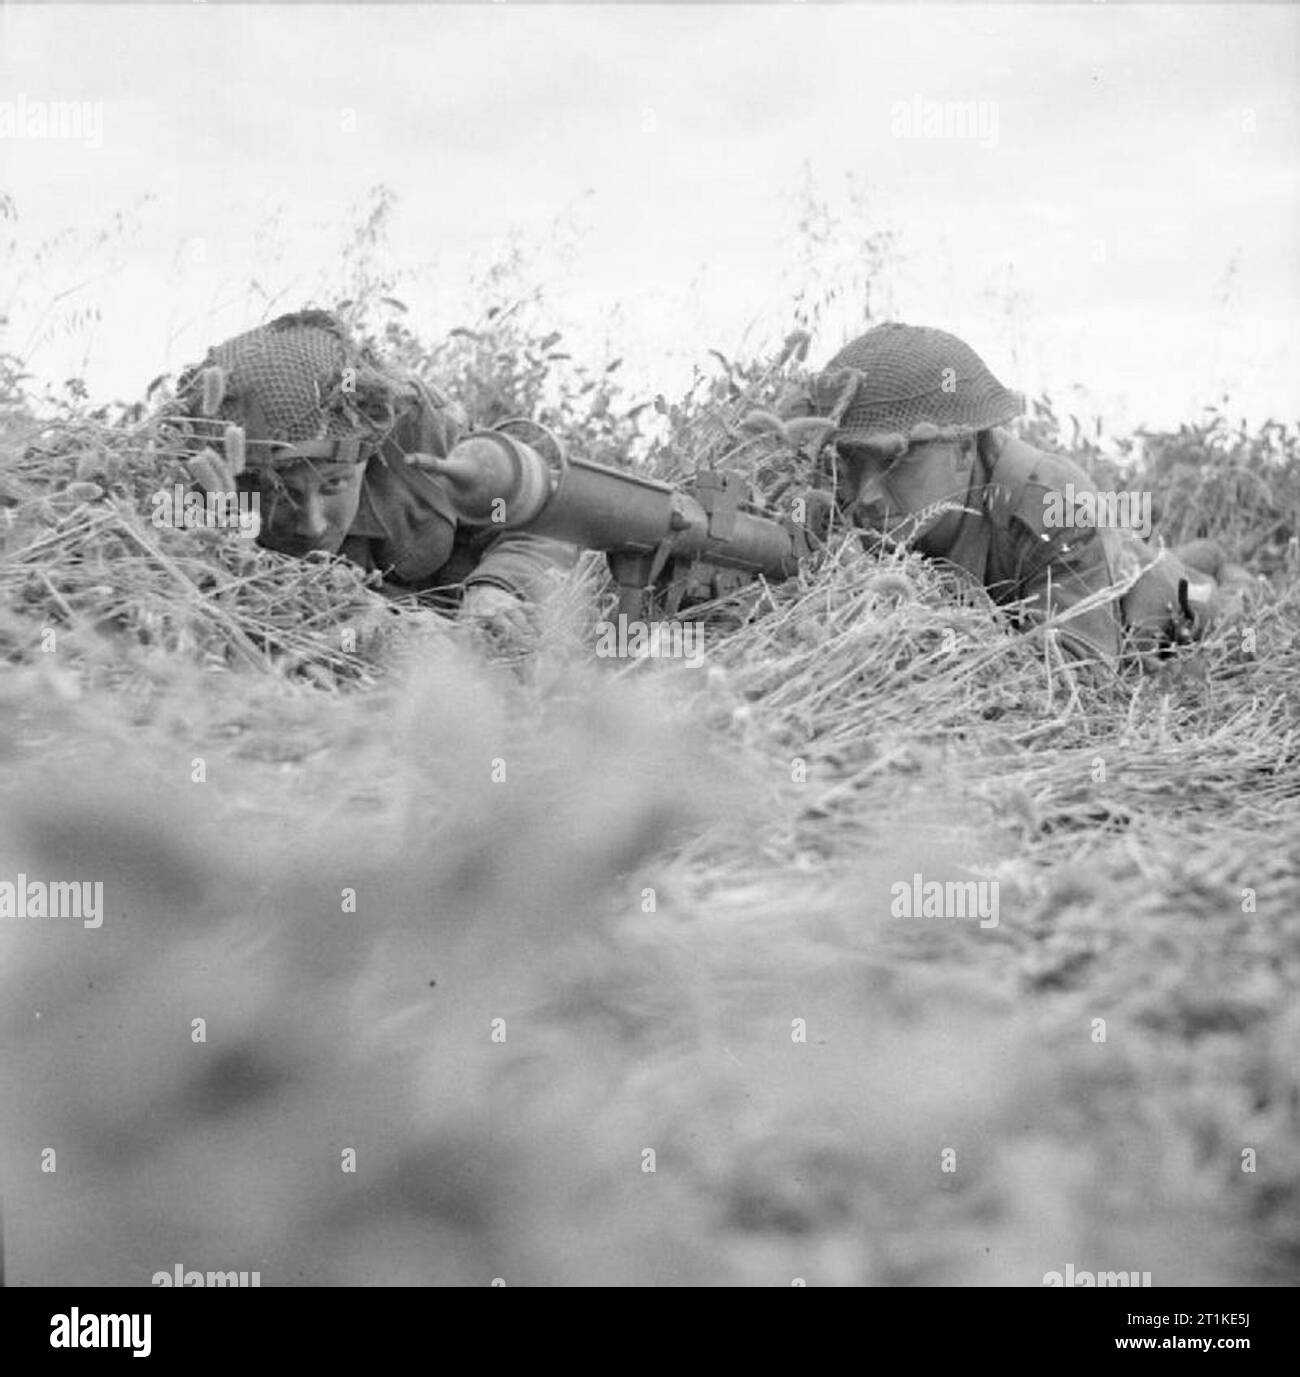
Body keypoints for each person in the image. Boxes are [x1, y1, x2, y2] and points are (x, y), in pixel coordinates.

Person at [798, 323, 1248, 671]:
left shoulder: (1054, 504)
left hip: (1134, 586)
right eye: (850, 463)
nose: (866, 496)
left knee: (1207, 602)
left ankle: (1236, 576)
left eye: (895, 462)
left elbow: (1077, 675)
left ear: (962, 448)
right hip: (1082, 557)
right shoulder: (863, 501)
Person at [166, 309, 577, 638]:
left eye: (334, 484)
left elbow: (542, 520)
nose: (311, 524)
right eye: (285, 494)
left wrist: (497, 588)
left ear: (371, 453)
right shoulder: (206, 481)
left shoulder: (426, 441)